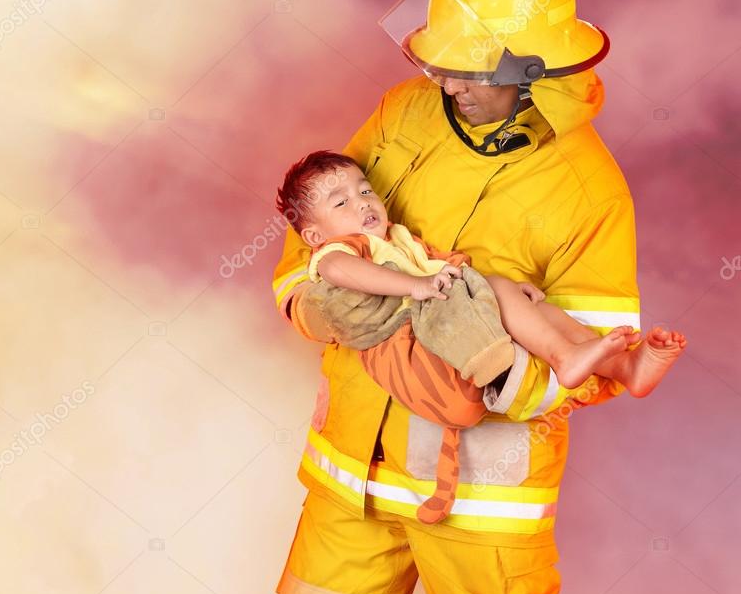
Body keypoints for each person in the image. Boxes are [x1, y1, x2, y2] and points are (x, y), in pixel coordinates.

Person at [270, 0, 673, 594]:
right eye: (441, 64)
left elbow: (598, 356)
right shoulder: (404, 110)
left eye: (467, 71)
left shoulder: (589, 189)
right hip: (350, 483)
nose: (447, 85)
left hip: (479, 509)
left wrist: (493, 367)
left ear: (529, 71)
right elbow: (312, 230)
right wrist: (320, 307)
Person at [275, 150, 685, 524]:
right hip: (410, 350)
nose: (363, 202)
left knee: (527, 305)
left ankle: (623, 365)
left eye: (365, 190)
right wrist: (416, 285)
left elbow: (445, 266)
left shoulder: (396, 239)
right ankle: (565, 357)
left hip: (438, 331)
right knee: (498, 293)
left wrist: (493, 289)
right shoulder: (339, 251)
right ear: (314, 236)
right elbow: (342, 271)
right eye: (341, 203)